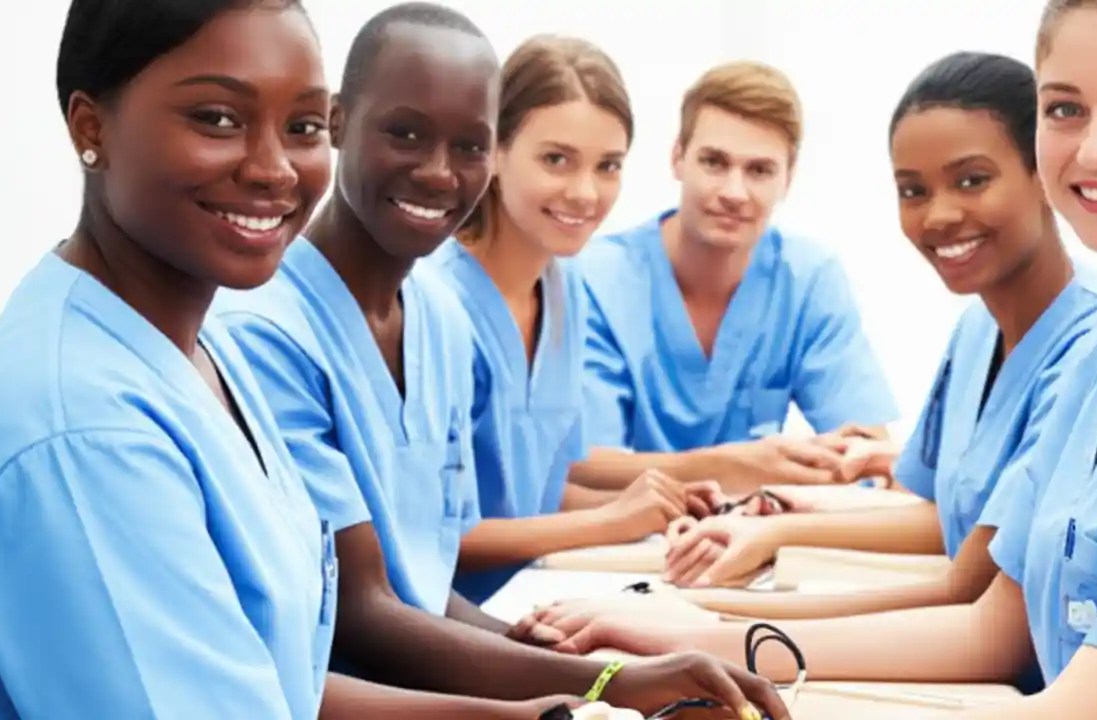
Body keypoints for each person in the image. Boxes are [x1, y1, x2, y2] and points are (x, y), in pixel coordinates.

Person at [517, 2, 1097, 717]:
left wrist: (719, 606)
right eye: (1065, 109)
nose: (1094, 148)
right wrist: (699, 637)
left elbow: (1082, 705)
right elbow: (986, 630)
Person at [0, 2, 578, 718]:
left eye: (302, 127)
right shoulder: (80, 427)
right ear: (91, 127)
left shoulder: (195, 357)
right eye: (217, 119)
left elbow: (279, 677)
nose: (275, 169)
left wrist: (536, 710)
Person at [216, 3, 788, 718]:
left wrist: (561, 653)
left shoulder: (440, 321)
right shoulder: (263, 331)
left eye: (468, 146)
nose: (438, 172)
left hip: (440, 670)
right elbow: (360, 612)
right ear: (336, 122)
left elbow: (425, 574)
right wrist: (601, 681)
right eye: (405, 134)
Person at [649, 51, 1097, 598]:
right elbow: (947, 521)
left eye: (971, 181)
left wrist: (709, 622)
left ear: (1045, 172)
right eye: (913, 191)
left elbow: (972, 593)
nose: (939, 215)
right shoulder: (977, 329)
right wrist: (768, 527)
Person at [427, 35, 724, 605]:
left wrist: (663, 507)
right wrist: (611, 520)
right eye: (555, 160)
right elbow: (437, 535)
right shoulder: (435, 305)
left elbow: (540, 492)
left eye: (607, 166)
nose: (585, 193)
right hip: (449, 628)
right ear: (492, 151)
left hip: (534, 596)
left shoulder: (565, 288)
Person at [569, 61, 899, 494]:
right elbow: (583, 466)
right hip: (618, 543)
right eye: (714, 162)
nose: (733, 193)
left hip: (760, 537)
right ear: (677, 158)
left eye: (759, 170)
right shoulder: (595, 279)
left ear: (789, 178)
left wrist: (837, 463)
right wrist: (736, 465)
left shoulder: (809, 280)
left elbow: (867, 450)